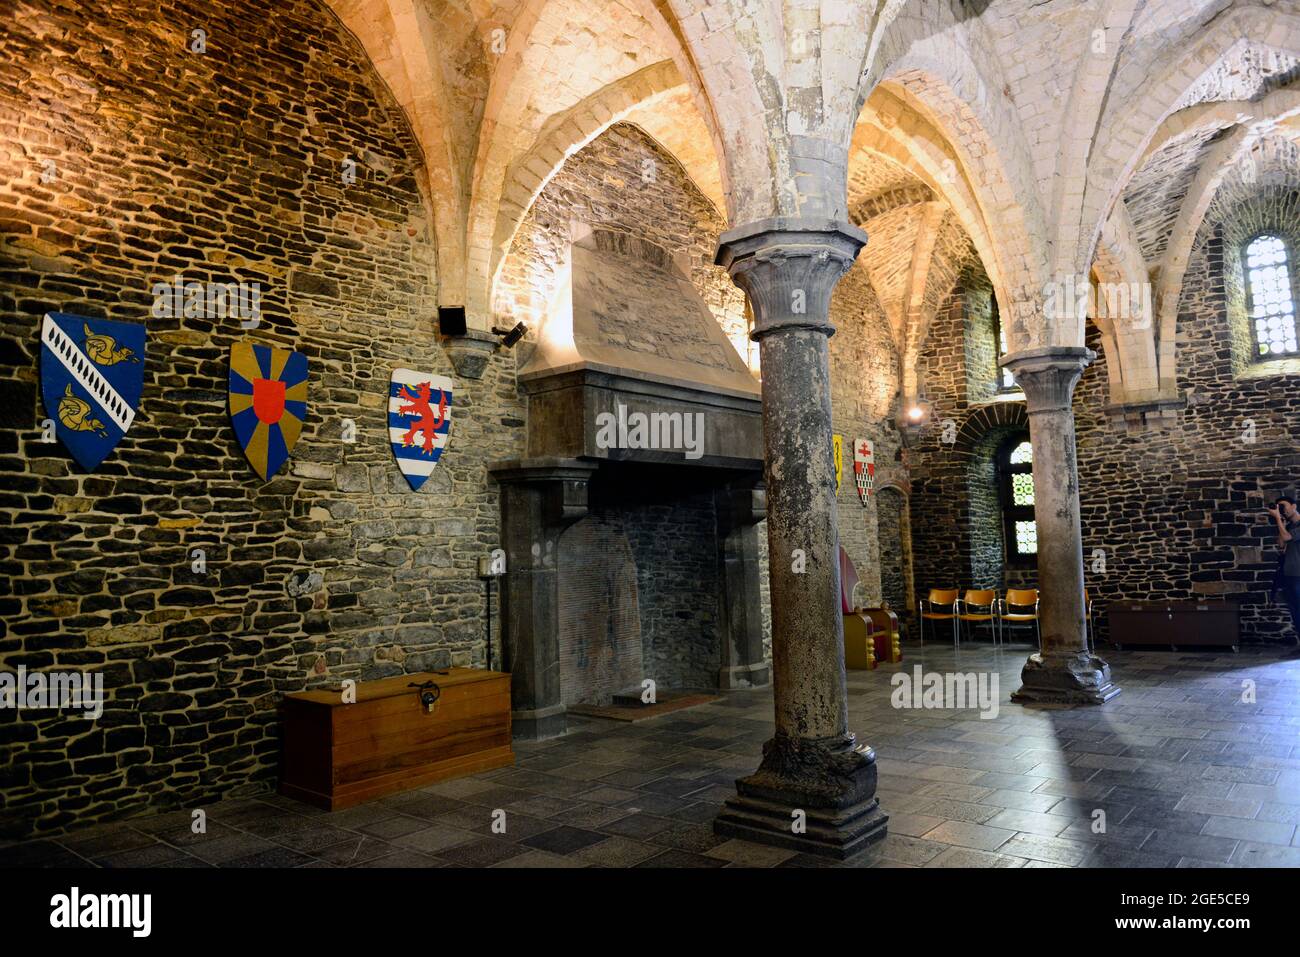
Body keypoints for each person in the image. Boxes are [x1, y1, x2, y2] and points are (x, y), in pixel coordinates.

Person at [1268, 495, 1300, 642]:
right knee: (1295, 611)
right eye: (1279, 507)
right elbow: (1281, 544)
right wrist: (1280, 519)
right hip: (1290, 574)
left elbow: (1286, 538)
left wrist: (1277, 519)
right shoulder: (1289, 526)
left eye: (1283, 506)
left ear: (1294, 506)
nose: (1282, 510)